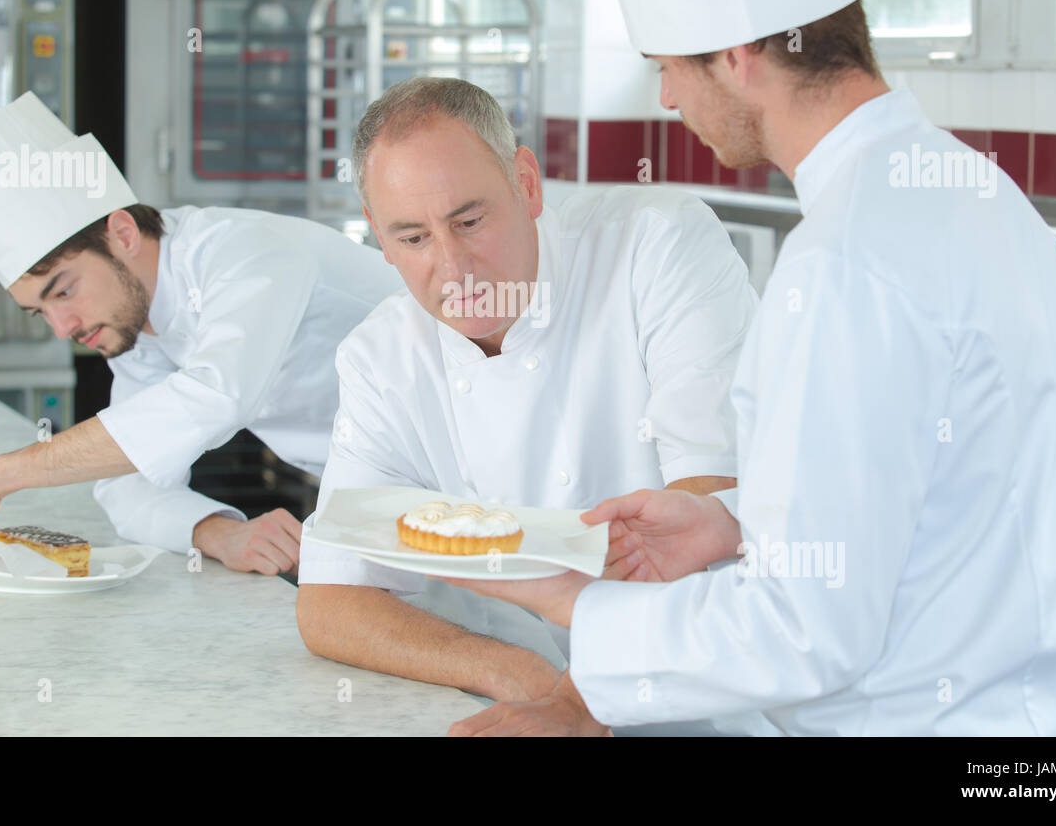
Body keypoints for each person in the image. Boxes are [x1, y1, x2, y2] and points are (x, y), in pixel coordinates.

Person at [436, 0, 1056, 735]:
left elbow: (803, 632)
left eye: (668, 67)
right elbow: (923, 495)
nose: (667, 98)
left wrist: (575, 601)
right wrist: (728, 522)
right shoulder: (975, 190)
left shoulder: (843, 262)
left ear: (736, 54)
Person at [295, 75, 758, 720]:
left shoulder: (655, 245)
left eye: (469, 221)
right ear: (377, 234)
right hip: (534, 694)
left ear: (527, 184)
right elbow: (331, 600)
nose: (453, 268)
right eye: (413, 238)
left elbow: (704, 501)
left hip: (707, 689)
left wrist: (579, 699)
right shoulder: (381, 357)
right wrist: (514, 673)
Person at [0, 92, 401, 574]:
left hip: (445, 474)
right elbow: (125, 484)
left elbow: (217, 395)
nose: (63, 328)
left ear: (123, 234)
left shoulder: (244, 252)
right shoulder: (142, 330)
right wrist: (215, 532)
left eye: (64, 291)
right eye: (39, 312)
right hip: (379, 501)